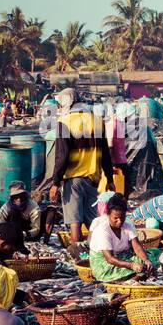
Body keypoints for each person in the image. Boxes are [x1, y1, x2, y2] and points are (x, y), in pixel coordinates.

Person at [47, 88, 113, 247]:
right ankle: (94, 252)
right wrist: (109, 178)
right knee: (93, 223)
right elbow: (105, 153)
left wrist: (55, 182)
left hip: (73, 180)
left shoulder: (64, 123)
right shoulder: (97, 121)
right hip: (93, 180)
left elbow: (61, 157)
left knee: (74, 222)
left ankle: (78, 257)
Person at [88, 194, 153, 283]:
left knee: (150, 259)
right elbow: (109, 259)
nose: (119, 221)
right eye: (115, 218)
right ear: (108, 214)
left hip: (121, 256)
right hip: (104, 263)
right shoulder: (102, 230)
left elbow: (136, 246)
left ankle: (135, 278)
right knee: (139, 268)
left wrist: (146, 260)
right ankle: (132, 280)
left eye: (122, 217)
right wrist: (131, 265)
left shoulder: (128, 224)